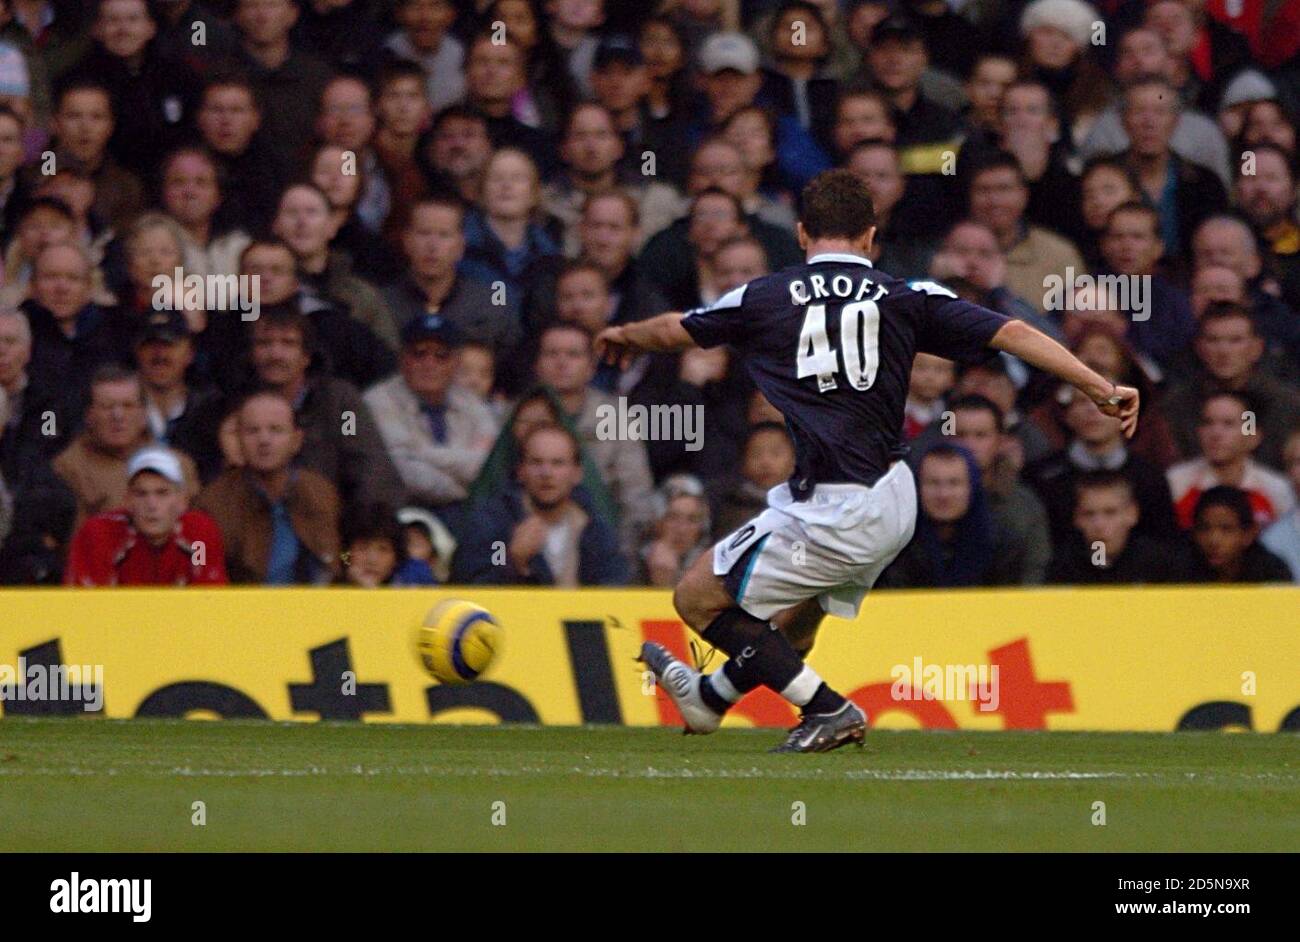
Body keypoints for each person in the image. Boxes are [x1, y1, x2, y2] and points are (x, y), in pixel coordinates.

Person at [598, 168, 1140, 752]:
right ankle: (712, 700)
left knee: (697, 598)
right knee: (798, 623)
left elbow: (676, 329)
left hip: (835, 505)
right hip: (893, 495)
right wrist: (1094, 383)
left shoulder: (764, 296)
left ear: (803, 233)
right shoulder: (908, 295)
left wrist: (626, 334)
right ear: (870, 237)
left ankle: (829, 709)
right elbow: (1011, 331)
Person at [450, 422, 629, 586]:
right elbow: (471, 588)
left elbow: (614, 587)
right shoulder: (493, 524)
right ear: (521, 471)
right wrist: (512, 561)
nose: (546, 473)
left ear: (577, 473)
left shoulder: (595, 528)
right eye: (536, 462)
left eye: (558, 463)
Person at [194, 389, 340, 584]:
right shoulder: (212, 502)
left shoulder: (322, 491)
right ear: (239, 440)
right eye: (253, 431)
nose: (264, 440)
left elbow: (342, 556)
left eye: (276, 430)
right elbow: (200, 570)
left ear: (296, 441)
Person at [63, 446, 227, 585]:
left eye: (162, 493)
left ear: (182, 501)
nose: (151, 505)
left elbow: (210, 598)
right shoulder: (99, 534)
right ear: (127, 501)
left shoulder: (199, 536)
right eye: (141, 494)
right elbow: (84, 605)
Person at [1187, 485, 1293, 583]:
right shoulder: (1181, 571)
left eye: (1226, 529)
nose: (1214, 540)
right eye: (1204, 529)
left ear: (1248, 534)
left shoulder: (1272, 573)